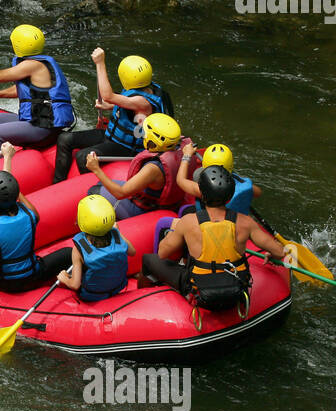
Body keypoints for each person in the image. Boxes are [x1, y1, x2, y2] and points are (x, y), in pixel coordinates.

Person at [141, 167, 286, 314]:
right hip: (236, 292)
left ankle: (144, 301)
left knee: (148, 259)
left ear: (202, 194)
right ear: (230, 195)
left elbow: (162, 253)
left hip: (200, 293)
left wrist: (178, 235)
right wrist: (271, 254)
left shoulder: (188, 222)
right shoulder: (246, 222)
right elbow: (280, 252)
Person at [0, 25, 74, 168]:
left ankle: (4, 176)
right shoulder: (36, 64)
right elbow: (27, 92)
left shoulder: (34, 65)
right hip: (37, 120)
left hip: (45, 127)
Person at [53, 49, 173, 182]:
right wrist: (110, 106)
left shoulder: (142, 101)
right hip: (111, 136)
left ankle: (88, 189)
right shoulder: (142, 89)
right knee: (64, 138)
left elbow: (108, 96)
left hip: (127, 147)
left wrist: (100, 63)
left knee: (83, 156)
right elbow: (132, 109)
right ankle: (58, 182)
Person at [0, 147, 70, 293]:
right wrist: (14, 191)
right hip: (32, 277)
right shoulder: (30, 216)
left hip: (3, 283)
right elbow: (33, 212)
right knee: (68, 252)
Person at [84, 113, 198, 219]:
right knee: (101, 184)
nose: (143, 135)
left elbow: (120, 193)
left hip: (148, 208)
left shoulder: (153, 168)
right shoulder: (183, 147)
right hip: (172, 199)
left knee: (94, 190)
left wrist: (96, 169)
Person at [53, 195, 136, 302]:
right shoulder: (116, 235)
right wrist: (117, 233)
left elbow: (75, 285)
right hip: (118, 288)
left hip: (92, 296)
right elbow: (132, 252)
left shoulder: (78, 249)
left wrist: (64, 278)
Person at [176, 142, 262, 215]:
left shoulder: (204, 190)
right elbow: (258, 193)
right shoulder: (245, 184)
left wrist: (186, 155)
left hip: (214, 226)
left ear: (204, 167)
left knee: (184, 209)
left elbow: (181, 180)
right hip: (239, 223)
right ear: (231, 165)